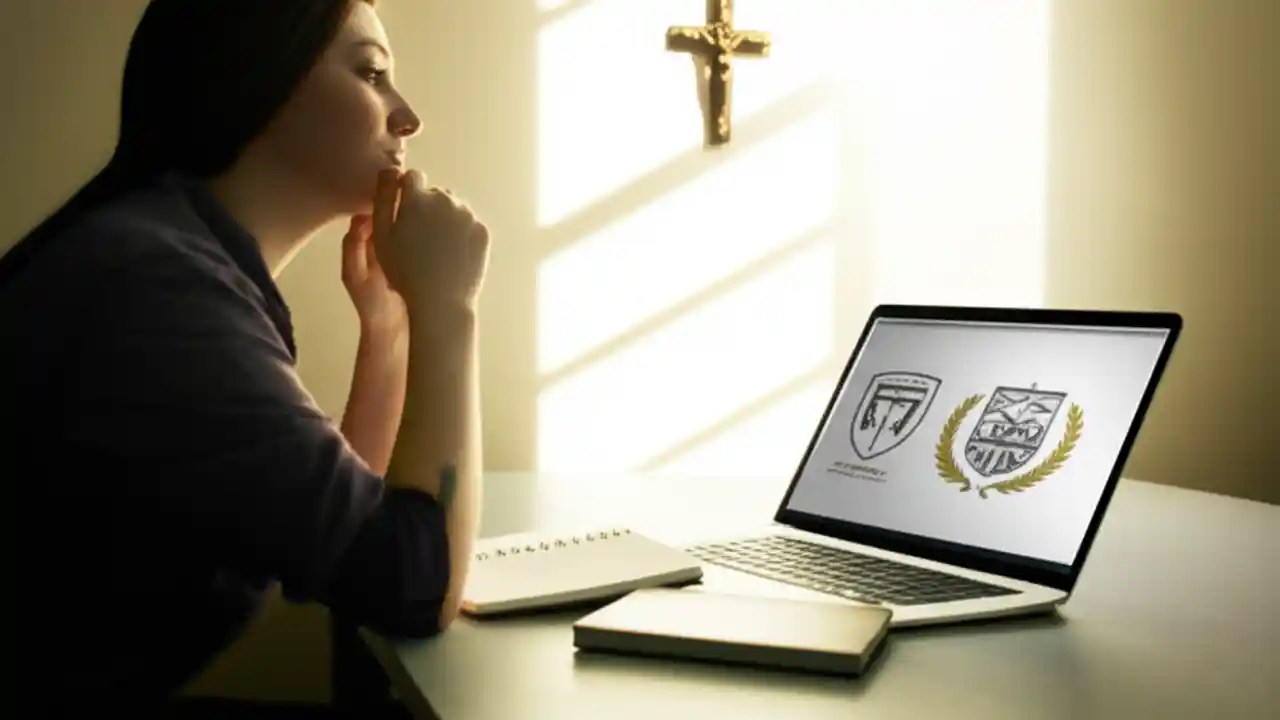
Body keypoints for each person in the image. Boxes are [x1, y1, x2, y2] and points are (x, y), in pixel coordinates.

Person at [0, 0, 488, 714]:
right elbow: (413, 586)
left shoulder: (165, 256)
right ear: (260, 81)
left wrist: (389, 330)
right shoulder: (160, 293)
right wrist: (452, 309)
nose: (406, 115)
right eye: (372, 74)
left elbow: (334, 545)